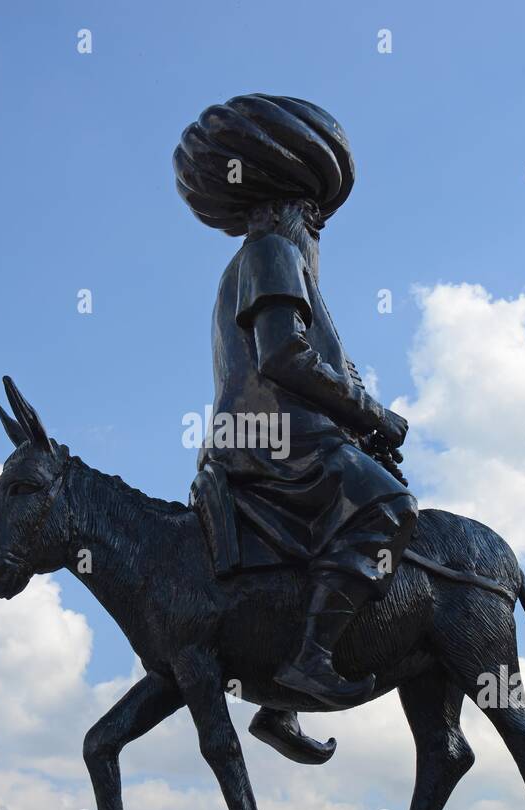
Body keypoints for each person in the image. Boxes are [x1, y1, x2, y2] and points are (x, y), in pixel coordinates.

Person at [176, 94, 418, 709]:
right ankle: (311, 660)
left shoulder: (245, 266)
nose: (317, 231)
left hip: (254, 439)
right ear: (284, 209)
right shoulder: (272, 254)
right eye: (312, 215)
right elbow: (285, 357)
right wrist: (374, 414)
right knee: (386, 504)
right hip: (281, 440)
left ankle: (280, 703)